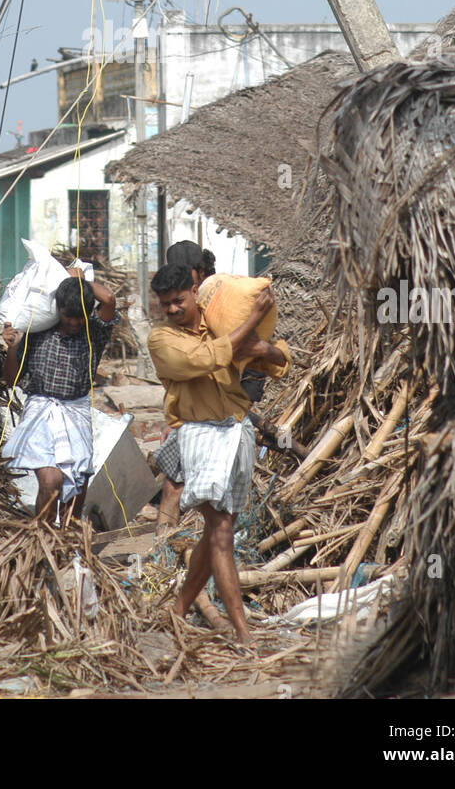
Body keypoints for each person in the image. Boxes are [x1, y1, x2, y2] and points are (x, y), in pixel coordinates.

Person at [148, 262, 289, 644]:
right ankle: (242, 631)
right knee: (222, 531)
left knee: (215, 532)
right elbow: (204, 360)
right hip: (199, 434)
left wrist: (263, 348)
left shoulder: (221, 323)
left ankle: (177, 610)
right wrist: (253, 321)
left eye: (179, 300)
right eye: (166, 305)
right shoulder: (161, 340)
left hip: (236, 431)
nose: (173, 310)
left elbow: (278, 361)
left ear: (194, 294)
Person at [155, 241, 270, 527]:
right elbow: (189, 363)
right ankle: (164, 554)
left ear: (199, 278)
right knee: (174, 486)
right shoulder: (168, 333)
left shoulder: (223, 309)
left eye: (185, 282)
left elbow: (256, 365)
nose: (174, 304)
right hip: (194, 423)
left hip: (229, 421)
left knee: (222, 511)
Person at [0, 266, 118, 524]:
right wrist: (12, 349)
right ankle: (41, 538)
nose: (74, 324)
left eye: (79, 318)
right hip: (41, 410)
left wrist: (78, 278)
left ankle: (70, 544)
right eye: (68, 317)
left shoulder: (93, 334)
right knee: (51, 482)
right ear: (57, 311)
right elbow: (11, 380)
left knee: (78, 482)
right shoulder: (38, 331)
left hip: (76, 411)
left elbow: (109, 299)